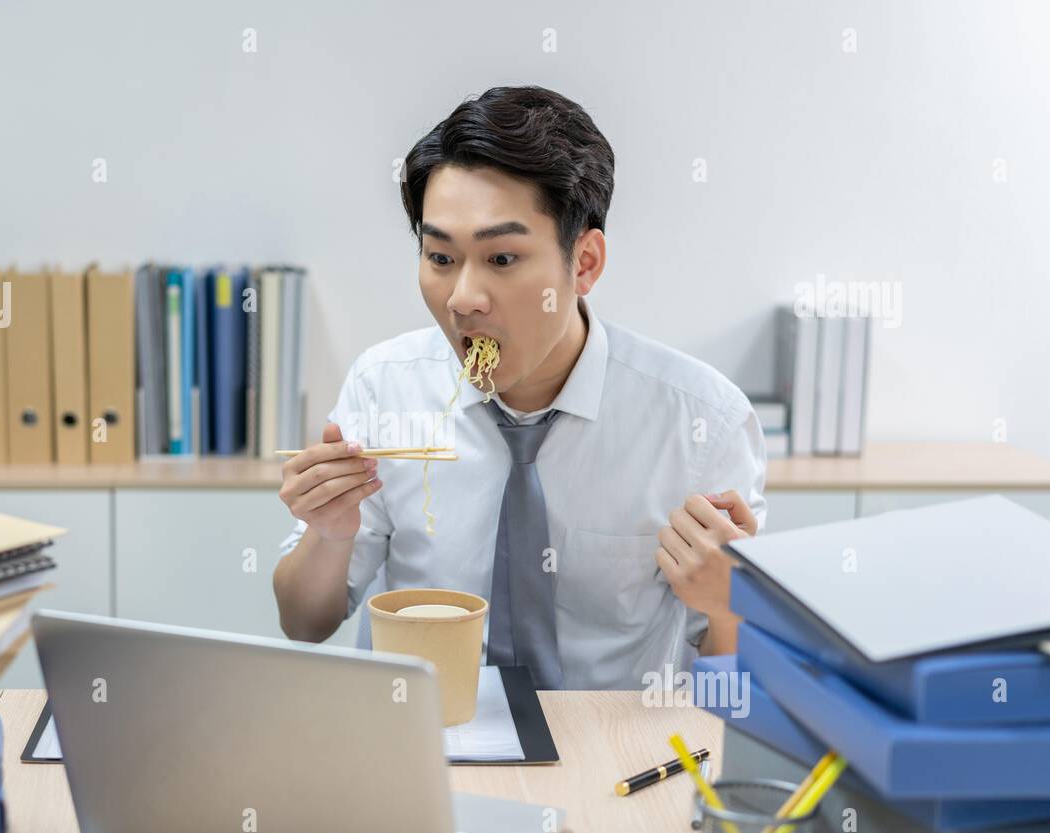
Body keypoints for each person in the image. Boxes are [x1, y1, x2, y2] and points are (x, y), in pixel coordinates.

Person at [273, 85, 765, 690]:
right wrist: (328, 533)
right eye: (440, 257)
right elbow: (303, 624)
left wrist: (727, 606)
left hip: (613, 764)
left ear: (583, 263)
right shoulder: (384, 389)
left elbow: (738, 692)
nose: (462, 299)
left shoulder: (701, 423)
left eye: (502, 259)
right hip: (427, 743)